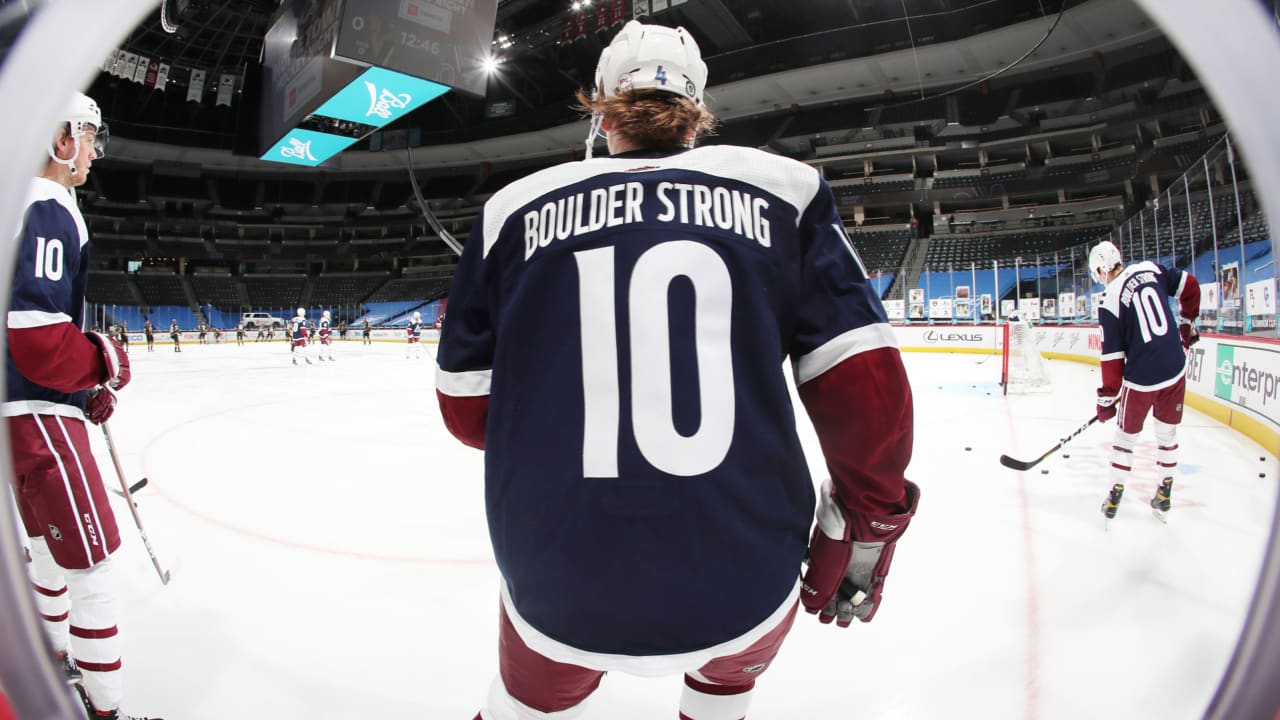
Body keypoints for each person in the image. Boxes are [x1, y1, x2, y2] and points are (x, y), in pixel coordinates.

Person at [435, 21, 918, 720]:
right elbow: (864, 383)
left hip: (560, 571)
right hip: (744, 567)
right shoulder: (787, 190)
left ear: (601, 109)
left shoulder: (512, 209)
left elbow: (467, 413)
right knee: (724, 691)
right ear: (698, 111)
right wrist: (869, 523)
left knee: (521, 708)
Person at [4, 91, 158, 720]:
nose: (95, 148)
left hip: (25, 416)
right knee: (92, 571)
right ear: (60, 140)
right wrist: (103, 363)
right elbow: (38, 336)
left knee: (45, 553)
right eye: (90, 135)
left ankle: (54, 656)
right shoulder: (48, 205)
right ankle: (107, 710)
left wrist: (81, 388)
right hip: (42, 418)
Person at [1090, 239, 1201, 522]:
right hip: (1175, 369)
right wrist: (1188, 323)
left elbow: (1112, 359)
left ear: (1102, 270)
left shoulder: (1109, 301)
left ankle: (1115, 493)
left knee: (1125, 439)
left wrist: (1106, 400)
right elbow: (1190, 286)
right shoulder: (1151, 269)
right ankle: (1164, 492)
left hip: (1141, 380)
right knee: (1167, 436)